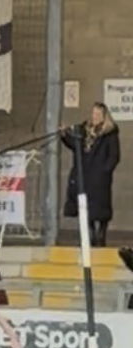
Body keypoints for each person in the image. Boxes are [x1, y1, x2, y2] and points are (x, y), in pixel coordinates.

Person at [62, 102, 120, 246]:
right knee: (86, 206)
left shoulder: (109, 133)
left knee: (101, 207)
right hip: (85, 174)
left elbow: (114, 155)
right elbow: (75, 145)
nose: (94, 116)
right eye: (93, 113)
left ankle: (101, 234)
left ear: (104, 116)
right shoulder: (84, 129)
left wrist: (105, 170)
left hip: (100, 177)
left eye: (98, 114)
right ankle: (91, 234)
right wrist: (64, 135)